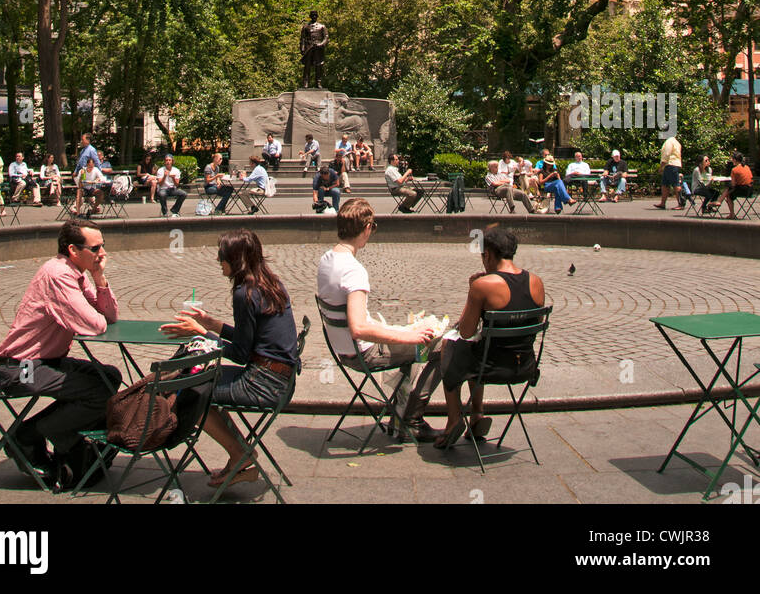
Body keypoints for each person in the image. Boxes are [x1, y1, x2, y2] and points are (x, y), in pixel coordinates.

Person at [161, 229, 299, 490]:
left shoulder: (244, 294)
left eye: (221, 255)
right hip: (281, 377)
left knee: (191, 390)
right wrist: (213, 324)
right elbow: (252, 339)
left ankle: (240, 454)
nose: (218, 260)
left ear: (235, 260)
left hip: (264, 383)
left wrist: (201, 332)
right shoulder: (270, 282)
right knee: (198, 381)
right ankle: (240, 455)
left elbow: (239, 354)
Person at [0, 220, 120, 488]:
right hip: (20, 367)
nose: (102, 253)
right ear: (73, 250)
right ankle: (26, 436)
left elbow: (109, 315)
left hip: (46, 361)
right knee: (98, 391)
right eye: (96, 247)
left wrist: (99, 278)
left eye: (103, 246)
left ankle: (71, 439)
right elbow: (94, 324)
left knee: (110, 376)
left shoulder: (76, 271)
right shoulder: (58, 275)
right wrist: (97, 308)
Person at [316, 198, 439, 442]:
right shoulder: (353, 270)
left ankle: (399, 412)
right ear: (367, 228)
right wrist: (410, 336)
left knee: (415, 341)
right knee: (438, 345)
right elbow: (359, 328)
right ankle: (411, 419)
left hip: (343, 351)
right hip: (364, 354)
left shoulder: (326, 260)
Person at [417, 222, 547, 449]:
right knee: (481, 349)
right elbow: (534, 324)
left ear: (488, 254)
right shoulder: (536, 282)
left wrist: (473, 290)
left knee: (451, 345)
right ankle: (476, 415)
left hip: (489, 367)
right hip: (524, 365)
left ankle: (454, 419)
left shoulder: (483, 285)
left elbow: (466, 332)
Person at [716, 153, 754, 219]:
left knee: (729, 194)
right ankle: (719, 201)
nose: (731, 161)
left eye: (732, 159)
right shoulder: (746, 167)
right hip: (750, 190)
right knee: (729, 190)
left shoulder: (734, 170)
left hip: (743, 190)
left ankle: (731, 213)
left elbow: (733, 185)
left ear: (735, 160)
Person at [300, 10, 328, 89]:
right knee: (307, 66)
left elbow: (326, 37)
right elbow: (302, 38)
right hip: (308, 48)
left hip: (318, 49)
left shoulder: (322, 26)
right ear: (310, 16)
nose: (314, 16)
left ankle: (318, 82)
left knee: (318, 66)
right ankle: (306, 82)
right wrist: (302, 48)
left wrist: (321, 44)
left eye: (315, 15)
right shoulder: (305, 26)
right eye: (312, 15)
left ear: (317, 16)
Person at [656, 133, 683, 210]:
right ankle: (663, 203)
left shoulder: (669, 141)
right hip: (674, 164)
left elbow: (666, 154)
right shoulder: (676, 142)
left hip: (671, 164)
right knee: (665, 184)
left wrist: (661, 166)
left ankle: (680, 203)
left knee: (675, 184)